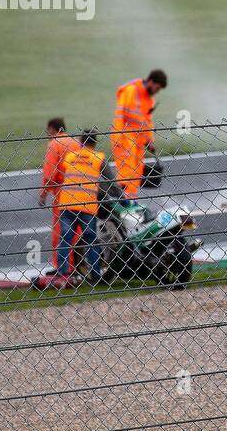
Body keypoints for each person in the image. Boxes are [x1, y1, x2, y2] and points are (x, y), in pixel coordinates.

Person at [53, 129, 107, 284]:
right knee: (91, 240)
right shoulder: (98, 158)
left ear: (81, 142)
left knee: (66, 237)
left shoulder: (69, 157)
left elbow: (66, 174)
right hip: (86, 206)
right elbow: (110, 182)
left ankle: (62, 273)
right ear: (95, 142)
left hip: (67, 204)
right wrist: (120, 198)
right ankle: (95, 276)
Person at [113, 69, 166, 197]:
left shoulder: (149, 99)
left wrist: (149, 140)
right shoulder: (131, 90)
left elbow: (147, 121)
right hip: (124, 137)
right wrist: (119, 138)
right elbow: (120, 115)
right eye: (157, 88)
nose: (156, 92)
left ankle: (131, 200)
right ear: (151, 82)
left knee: (137, 172)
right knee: (126, 173)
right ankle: (123, 202)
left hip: (138, 141)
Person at [38, 117, 81, 272]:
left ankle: (63, 267)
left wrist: (43, 194)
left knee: (61, 231)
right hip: (82, 191)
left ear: (52, 129)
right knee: (79, 231)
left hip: (62, 194)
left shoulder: (54, 144)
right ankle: (79, 265)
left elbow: (49, 174)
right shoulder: (76, 143)